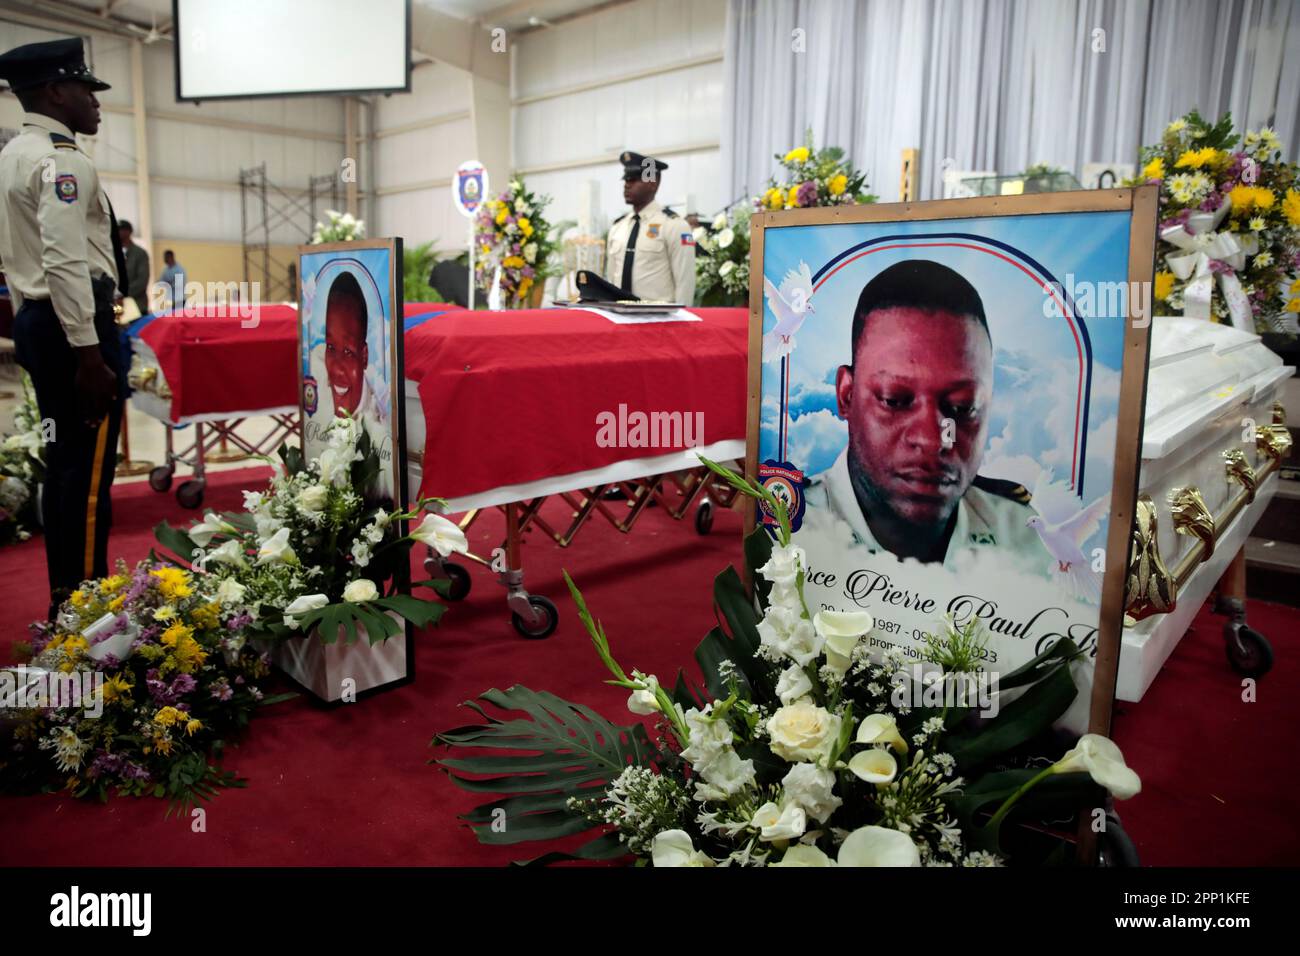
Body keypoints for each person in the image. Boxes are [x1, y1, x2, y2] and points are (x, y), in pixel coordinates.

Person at [800, 259, 1044, 567]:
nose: (932, 438)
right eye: (895, 400)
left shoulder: (1033, 547)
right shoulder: (788, 531)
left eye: (962, 406)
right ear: (847, 395)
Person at [0, 38, 127, 618]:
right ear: (54, 92)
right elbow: (66, 259)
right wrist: (90, 354)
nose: (96, 103)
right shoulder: (63, 158)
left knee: (64, 463)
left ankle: (68, 601)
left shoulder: (13, 153)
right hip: (75, 328)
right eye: (86, 90)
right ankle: (86, 609)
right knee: (89, 473)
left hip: (37, 321)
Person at [307, 270, 394, 502]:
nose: (335, 368)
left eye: (348, 352)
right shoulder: (318, 382)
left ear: (364, 356)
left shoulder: (379, 429)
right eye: (331, 348)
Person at [601, 151, 695, 303]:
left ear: (652, 183)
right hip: (620, 317)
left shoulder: (674, 225)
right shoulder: (618, 227)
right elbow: (612, 278)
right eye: (626, 179)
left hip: (659, 320)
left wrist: (683, 322)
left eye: (634, 179)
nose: (627, 184)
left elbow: (685, 282)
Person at [118, 218, 149, 314]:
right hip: (118, 306)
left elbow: (142, 280)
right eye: (118, 230)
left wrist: (123, 293)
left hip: (137, 305)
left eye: (122, 229)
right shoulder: (113, 253)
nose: (119, 232)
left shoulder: (140, 253)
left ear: (129, 232)